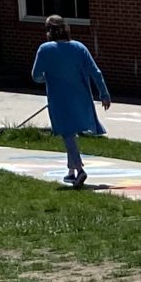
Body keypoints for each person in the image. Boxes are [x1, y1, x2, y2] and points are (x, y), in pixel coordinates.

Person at [30, 13, 111, 186]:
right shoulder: (79, 47)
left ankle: (80, 170)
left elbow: (36, 76)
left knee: (67, 132)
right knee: (71, 133)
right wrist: (104, 94)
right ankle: (71, 172)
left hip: (59, 98)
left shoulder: (45, 49)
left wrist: (48, 77)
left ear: (49, 31)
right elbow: (95, 72)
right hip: (81, 96)